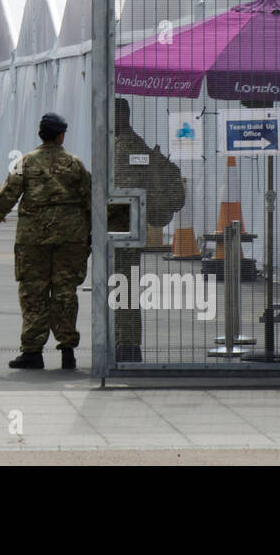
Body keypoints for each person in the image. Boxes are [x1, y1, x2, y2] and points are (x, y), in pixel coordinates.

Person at [0, 112, 91, 371]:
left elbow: (8, 192)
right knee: (65, 291)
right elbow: (90, 198)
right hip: (71, 238)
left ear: (41, 135)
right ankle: (67, 351)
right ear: (61, 136)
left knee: (33, 291)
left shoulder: (26, 162)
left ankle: (33, 352)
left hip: (34, 238)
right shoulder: (75, 164)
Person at [112, 98, 149, 363]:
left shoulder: (123, 146)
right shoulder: (135, 143)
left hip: (123, 228)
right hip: (127, 227)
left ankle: (126, 346)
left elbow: (117, 190)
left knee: (123, 286)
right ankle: (126, 343)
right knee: (125, 286)